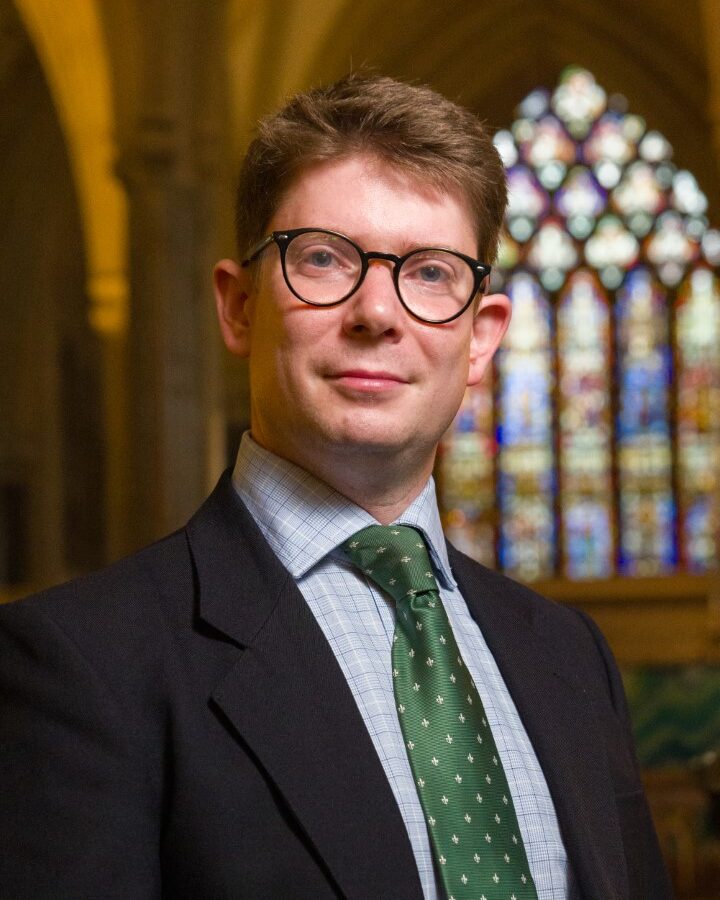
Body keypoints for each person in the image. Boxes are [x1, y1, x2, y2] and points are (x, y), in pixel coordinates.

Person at [0, 73, 670, 900]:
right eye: (323, 258)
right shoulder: (80, 663)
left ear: (482, 339)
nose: (377, 313)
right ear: (240, 307)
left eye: (429, 273)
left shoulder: (568, 657)